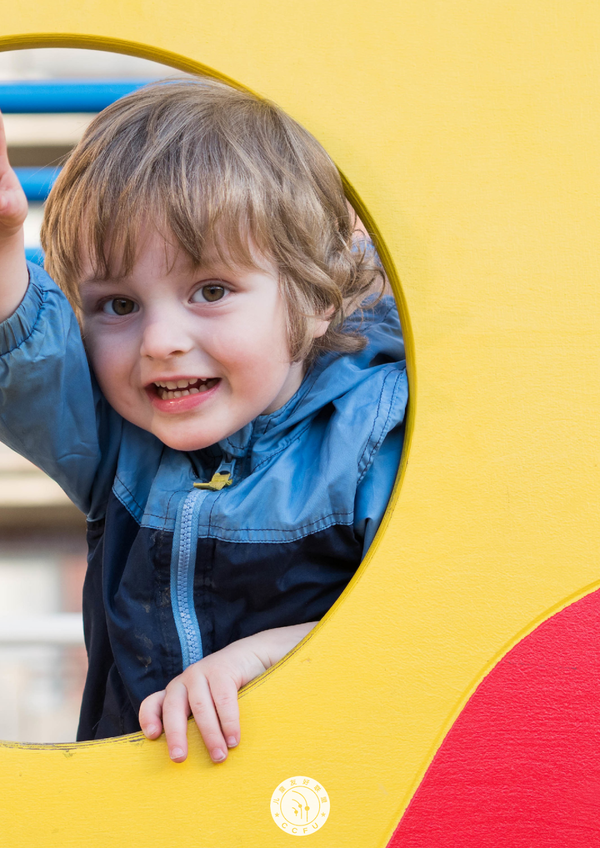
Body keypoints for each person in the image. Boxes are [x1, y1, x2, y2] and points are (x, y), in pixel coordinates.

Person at [0, 78, 407, 764]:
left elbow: (427, 620)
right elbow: (25, 361)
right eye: (118, 305)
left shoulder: (370, 437)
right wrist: (8, 241)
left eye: (211, 291)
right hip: (145, 815)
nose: (160, 340)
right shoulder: (122, 450)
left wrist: (263, 658)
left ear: (314, 299)